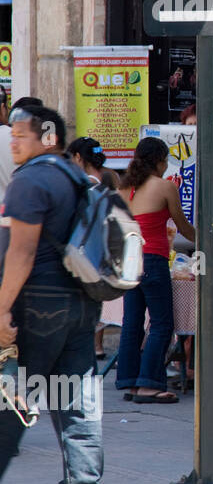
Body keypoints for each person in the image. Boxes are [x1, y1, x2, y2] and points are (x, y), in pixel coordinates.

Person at [0, 104, 105, 484]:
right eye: (11, 135)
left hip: (39, 303)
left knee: (11, 398)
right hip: (81, 302)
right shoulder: (77, 177)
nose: (13, 143)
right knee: (76, 399)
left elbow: (21, 255)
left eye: (21, 135)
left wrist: (2, 309)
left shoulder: (30, 182)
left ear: (48, 137)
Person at [115, 138, 195, 403]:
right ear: (160, 161)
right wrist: (207, 240)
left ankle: (130, 381)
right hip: (152, 260)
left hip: (129, 262)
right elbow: (183, 227)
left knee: (132, 323)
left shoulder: (123, 188)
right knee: (161, 324)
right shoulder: (164, 186)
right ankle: (149, 384)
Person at [67, 137, 118, 360]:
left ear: (78, 157)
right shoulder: (112, 176)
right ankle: (95, 345)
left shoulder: (80, 182)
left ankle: (88, 346)